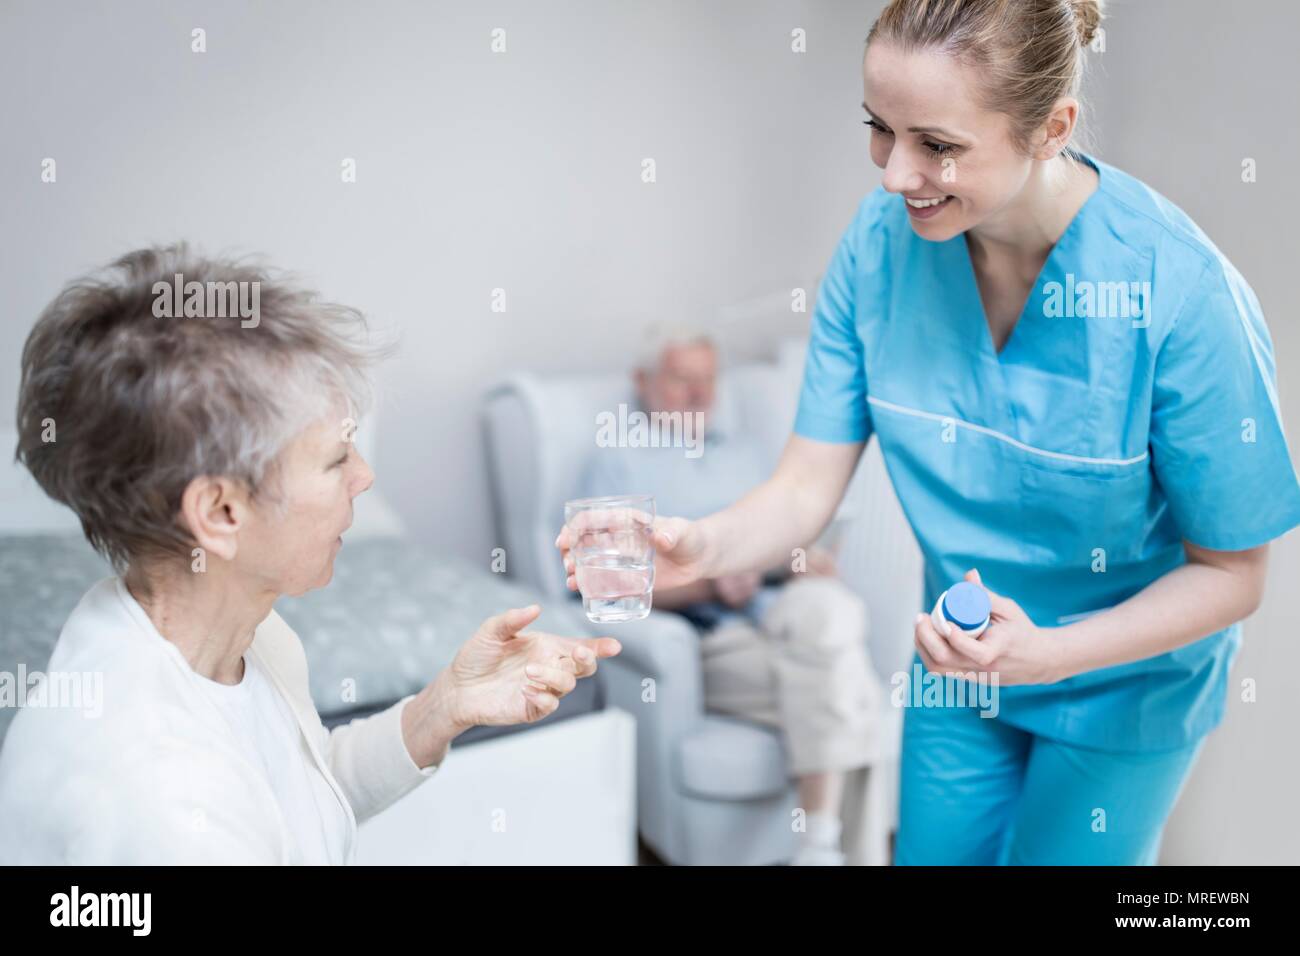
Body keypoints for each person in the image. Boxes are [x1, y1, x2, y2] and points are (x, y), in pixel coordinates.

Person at [561, 0, 1300, 865]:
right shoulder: (879, 250)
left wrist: (1053, 654)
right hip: (957, 663)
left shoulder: (1182, 293)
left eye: (938, 145)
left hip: (1125, 691)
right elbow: (806, 486)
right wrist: (707, 546)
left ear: (1052, 126)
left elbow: (1233, 574)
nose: (893, 175)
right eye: (882, 129)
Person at [0, 244, 619, 864]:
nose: (366, 475)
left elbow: (302, 792)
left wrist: (444, 705)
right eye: (336, 458)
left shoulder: (239, 636)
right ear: (219, 513)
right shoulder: (161, 806)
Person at [577, 324, 884, 865]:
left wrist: (797, 559)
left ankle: (820, 848)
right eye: (681, 379)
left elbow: (785, 533)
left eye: (708, 380)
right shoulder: (618, 461)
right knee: (852, 690)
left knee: (832, 609)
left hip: (782, 608)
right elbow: (604, 586)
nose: (699, 393)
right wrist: (710, 580)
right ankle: (828, 848)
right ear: (642, 381)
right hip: (710, 632)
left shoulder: (745, 452)